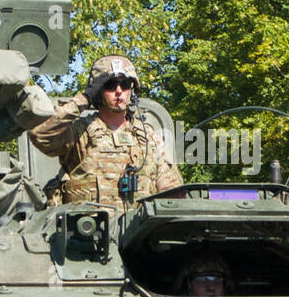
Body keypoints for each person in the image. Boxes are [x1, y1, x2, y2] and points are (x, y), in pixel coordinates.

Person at [29, 54, 182, 207]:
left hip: (140, 230)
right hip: (91, 228)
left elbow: (172, 194)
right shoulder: (79, 134)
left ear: (132, 90)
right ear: (98, 91)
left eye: (125, 84)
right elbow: (40, 134)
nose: (118, 90)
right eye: (110, 85)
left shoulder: (148, 138)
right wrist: (84, 99)